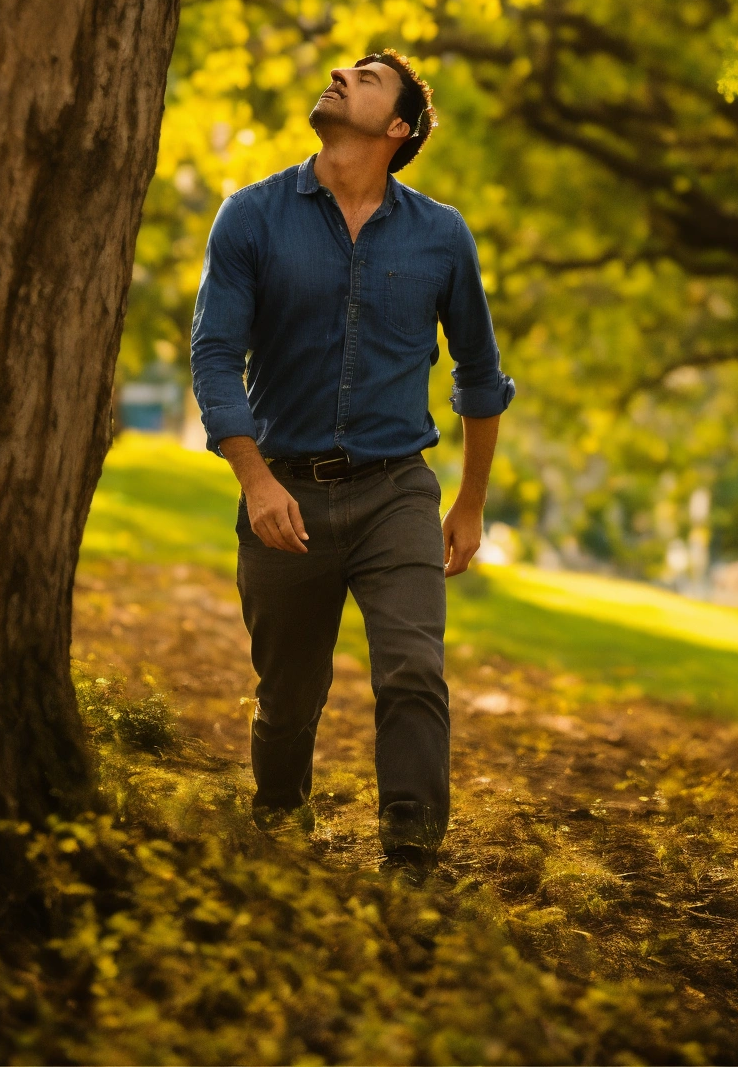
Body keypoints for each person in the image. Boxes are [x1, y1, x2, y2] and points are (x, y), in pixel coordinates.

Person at [189, 50, 513, 867]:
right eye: (345, 70)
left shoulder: (441, 235)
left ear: (398, 128)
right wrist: (254, 479)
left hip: (395, 492)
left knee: (412, 671)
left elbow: (479, 374)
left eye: (367, 79)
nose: (342, 75)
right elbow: (214, 358)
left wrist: (469, 503)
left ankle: (412, 857)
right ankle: (279, 828)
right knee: (288, 701)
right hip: (283, 492)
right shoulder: (251, 217)